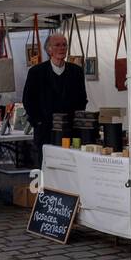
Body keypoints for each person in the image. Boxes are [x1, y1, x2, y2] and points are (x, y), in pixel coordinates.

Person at [22, 32, 88, 163]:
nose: (62, 48)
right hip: (45, 131)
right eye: (57, 45)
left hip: (70, 131)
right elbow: (28, 100)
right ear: (49, 49)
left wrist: (76, 120)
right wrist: (38, 122)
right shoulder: (36, 72)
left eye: (64, 45)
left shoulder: (76, 71)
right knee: (46, 167)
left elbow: (82, 99)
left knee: (70, 167)